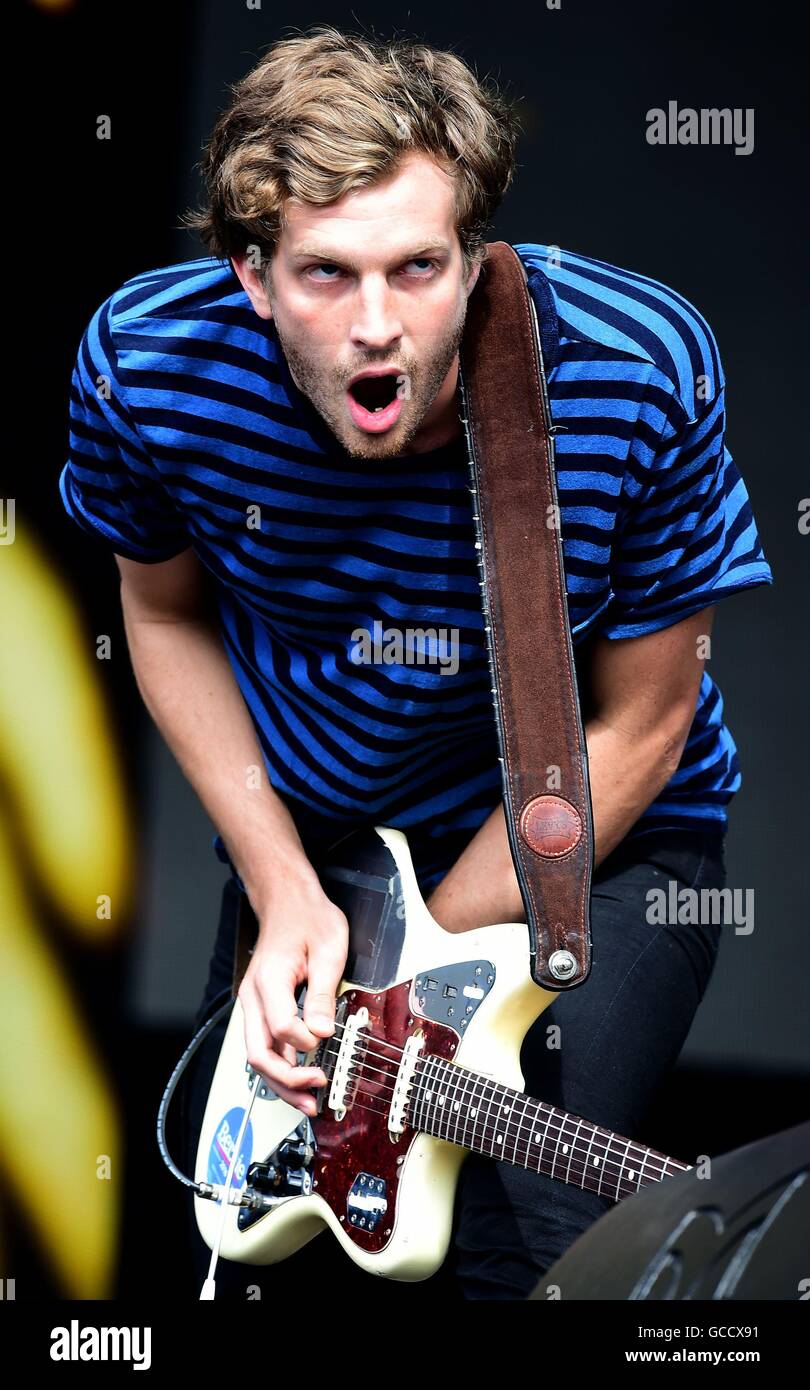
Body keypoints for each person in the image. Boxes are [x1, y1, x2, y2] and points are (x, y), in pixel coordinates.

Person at [58, 25, 772, 1299]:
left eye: (420, 268)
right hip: (324, 846)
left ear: (478, 255)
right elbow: (158, 616)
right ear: (249, 275)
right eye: (326, 274)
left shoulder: (635, 367)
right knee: (272, 1251)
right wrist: (283, 888)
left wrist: (421, 970)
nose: (378, 327)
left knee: (521, 1249)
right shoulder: (150, 368)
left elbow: (646, 722)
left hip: (590, 844)